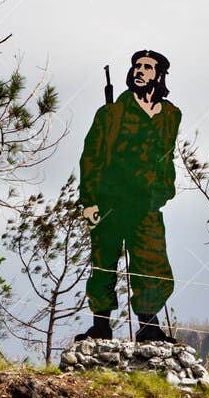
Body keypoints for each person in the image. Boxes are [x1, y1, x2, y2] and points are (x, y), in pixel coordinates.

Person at [76, 49, 181, 344]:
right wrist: (89, 202)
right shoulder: (110, 114)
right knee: (103, 265)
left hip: (145, 204)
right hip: (109, 202)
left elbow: (166, 157)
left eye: (147, 67)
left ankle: (149, 326)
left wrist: (163, 190)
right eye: (137, 66)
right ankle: (101, 326)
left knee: (152, 263)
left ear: (159, 75)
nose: (140, 71)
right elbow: (90, 158)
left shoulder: (171, 115)